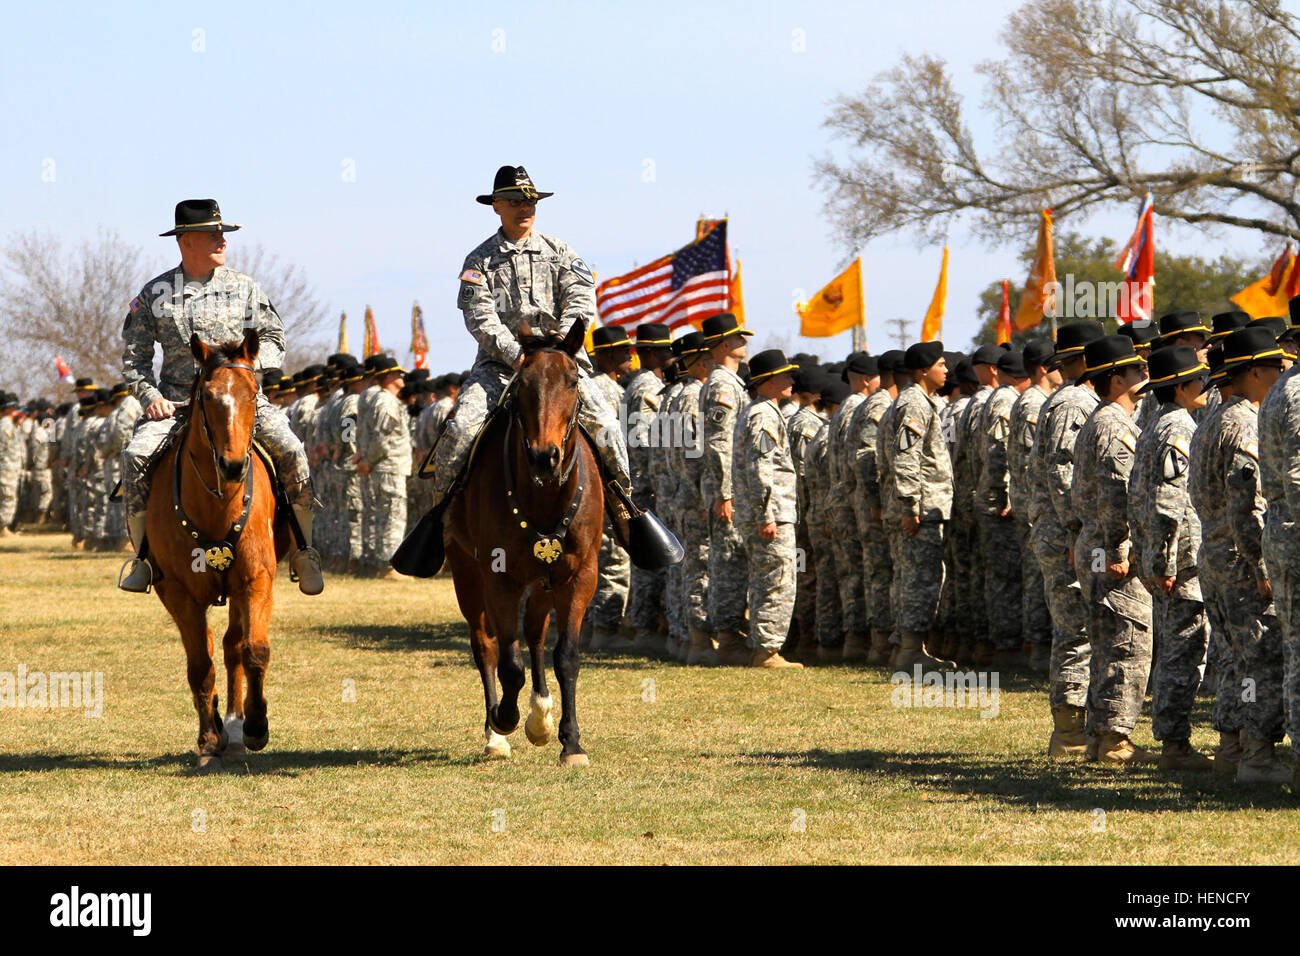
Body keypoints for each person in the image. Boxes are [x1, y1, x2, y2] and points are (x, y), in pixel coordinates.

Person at [410, 166, 673, 575]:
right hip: (501, 367)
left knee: (606, 425)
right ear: (496, 206)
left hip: (560, 366)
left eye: (530, 201)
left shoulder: (563, 252)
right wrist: (516, 353)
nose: (524, 208)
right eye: (515, 201)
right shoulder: (478, 260)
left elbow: (582, 302)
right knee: (461, 429)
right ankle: (442, 520)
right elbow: (479, 316)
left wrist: (561, 350)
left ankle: (625, 509)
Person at [118, 199, 323, 594]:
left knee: (293, 450)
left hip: (242, 401)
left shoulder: (244, 288)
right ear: (185, 240)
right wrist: (149, 399)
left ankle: (304, 549)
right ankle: (143, 558)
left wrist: (242, 372)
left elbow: (275, 339)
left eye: (223, 233)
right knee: (135, 457)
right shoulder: (156, 293)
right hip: (177, 404)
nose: (221, 240)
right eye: (213, 233)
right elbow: (134, 360)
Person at [1192, 327, 1289, 783]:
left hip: (1213, 550)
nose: (1283, 369)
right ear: (1253, 371)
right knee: (1260, 659)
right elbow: (1247, 503)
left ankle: (1231, 750)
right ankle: (1256, 756)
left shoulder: (1214, 417)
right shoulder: (1243, 422)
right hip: (1238, 555)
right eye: (1274, 365)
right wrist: (1260, 565)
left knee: (1234, 656)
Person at [1127, 345, 1213, 771]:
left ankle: (1172, 741)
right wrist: (1163, 564)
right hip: (1180, 565)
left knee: (1174, 650)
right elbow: (1166, 504)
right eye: (1199, 379)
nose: (1205, 386)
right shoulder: (1179, 428)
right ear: (1181, 387)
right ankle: (1175, 745)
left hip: (1167, 561)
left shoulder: (1157, 424)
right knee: (1183, 652)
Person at [1071, 335, 1153, 765]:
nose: (1145, 376)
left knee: (1107, 642)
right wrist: (1120, 548)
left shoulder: (1101, 421)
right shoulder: (1113, 425)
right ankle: (1115, 741)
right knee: (1127, 642)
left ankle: (1099, 736)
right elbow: (1114, 493)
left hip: (1096, 544)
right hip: (1111, 549)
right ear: (1117, 378)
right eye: (1137, 371)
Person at [1029, 320, 1104, 757]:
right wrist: (1078, 529)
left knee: (1083, 626)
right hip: (1065, 535)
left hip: (1068, 531)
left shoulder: (1079, 399)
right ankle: (1071, 733)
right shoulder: (1075, 402)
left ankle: (1080, 727)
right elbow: (1063, 472)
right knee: (1076, 627)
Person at [882, 341, 954, 669]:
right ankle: (910, 651)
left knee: (912, 576)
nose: (946, 369)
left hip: (920, 506)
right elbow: (906, 457)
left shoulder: (914, 401)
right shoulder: (914, 404)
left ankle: (906, 648)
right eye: (940, 364)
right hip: (921, 509)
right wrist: (910, 506)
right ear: (923, 371)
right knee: (919, 579)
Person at [732, 350, 803, 669]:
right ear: (768, 381)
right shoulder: (764, 415)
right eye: (785, 375)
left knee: (767, 579)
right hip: (770, 513)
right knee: (776, 580)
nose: (791, 380)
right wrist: (766, 515)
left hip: (764, 511)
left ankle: (763, 647)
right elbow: (761, 468)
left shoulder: (758, 412)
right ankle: (767, 650)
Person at [700, 312, 754, 665]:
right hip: (728, 489)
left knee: (731, 562)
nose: (744, 342)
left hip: (734, 487)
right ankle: (728, 637)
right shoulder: (722, 385)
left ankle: (731, 633)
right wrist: (725, 492)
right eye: (738, 338)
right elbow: (719, 443)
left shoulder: (730, 383)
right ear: (725, 345)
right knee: (729, 563)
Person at [975, 349, 1032, 668]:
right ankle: (1006, 647)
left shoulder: (999, 399)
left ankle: (1002, 645)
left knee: (1002, 576)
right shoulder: (1004, 401)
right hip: (999, 503)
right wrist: (1003, 495)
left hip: (995, 498)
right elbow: (997, 452)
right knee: (1006, 577)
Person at [1006, 340, 1059, 672]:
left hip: (1031, 504)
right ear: (1043, 369)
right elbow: (1031, 462)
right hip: (1034, 505)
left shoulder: (1034, 401)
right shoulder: (1033, 405)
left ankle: (1037, 648)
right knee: (1038, 579)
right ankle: (1038, 650)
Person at [623, 323, 675, 654]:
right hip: (644, 484)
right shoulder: (647, 387)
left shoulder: (643, 384)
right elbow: (641, 439)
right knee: (649, 558)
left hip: (642, 482)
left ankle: (645, 625)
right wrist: (653, 480)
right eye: (667, 350)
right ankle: (644, 628)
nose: (671, 355)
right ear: (653, 353)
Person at [585, 325, 635, 652]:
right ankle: (605, 632)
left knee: (598, 560)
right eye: (622, 351)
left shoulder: (592, 386)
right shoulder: (606, 390)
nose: (630, 355)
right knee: (614, 561)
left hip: (594, 489)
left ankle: (594, 627)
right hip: (608, 487)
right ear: (606, 356)